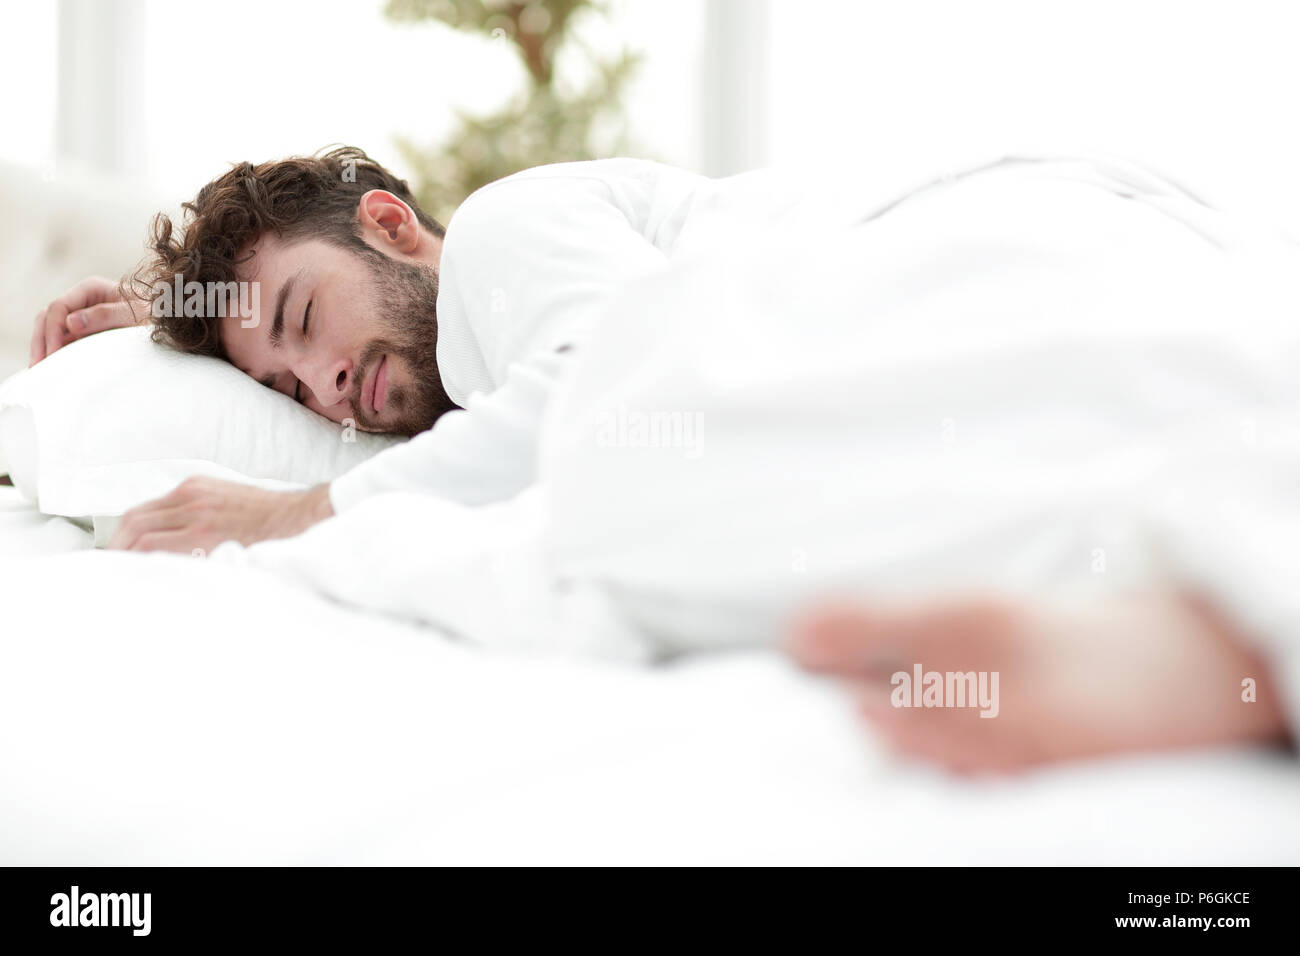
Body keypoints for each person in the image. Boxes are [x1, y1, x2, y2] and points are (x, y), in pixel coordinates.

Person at [29, 148, 1297, 771]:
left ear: (394, 226)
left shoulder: (507, 233)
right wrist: (164, 326)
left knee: (616, 478)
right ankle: (1186, 617)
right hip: (1025, 307)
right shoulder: (465, 365)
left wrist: (303, 507)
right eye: (289, 392)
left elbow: (589, 380)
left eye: (309, 325)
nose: (329, 391)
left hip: (1014, 250)